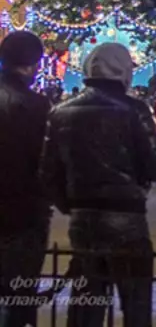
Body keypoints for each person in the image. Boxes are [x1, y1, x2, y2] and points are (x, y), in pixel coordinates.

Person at [40, 42, 156, 327]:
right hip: (128, 217)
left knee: (87, 302)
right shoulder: (135, 109)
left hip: (83, 219)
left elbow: (48, 173)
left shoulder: (61, 111)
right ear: (122, 71)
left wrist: (72, 204)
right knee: (135, 302)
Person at [0, 32, 51, 327]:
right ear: (33, 64)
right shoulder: (35, 105)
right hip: (23, 215)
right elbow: (44, 162)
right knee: (19, 296)